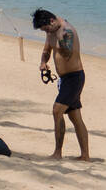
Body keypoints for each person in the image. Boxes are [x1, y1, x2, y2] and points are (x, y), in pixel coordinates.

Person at [33, 8, 89, 161]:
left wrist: (58, 37)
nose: (46, 32)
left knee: (57, 110)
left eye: (46, 29)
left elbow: (67, 53)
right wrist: (43, 62)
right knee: (75, 116)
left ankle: (58, 153)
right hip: (63, 80)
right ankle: (85, 156)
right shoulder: (50, 31)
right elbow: (47, 50)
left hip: (74, 78)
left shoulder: (66, 31)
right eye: (43, 30)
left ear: (52, 21)